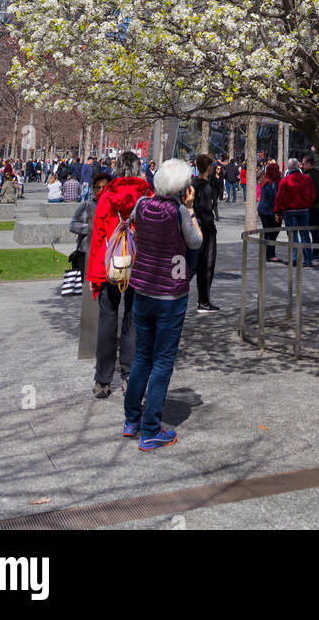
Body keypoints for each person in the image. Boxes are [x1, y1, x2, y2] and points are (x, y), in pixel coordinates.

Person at [123, 158, 203, 450]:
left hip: (142, 289)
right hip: (170, 293)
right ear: (181, 188)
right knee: (162, 360)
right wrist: (191, 209)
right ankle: (150, 429)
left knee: (143, 354)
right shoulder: (179, 212)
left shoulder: (142, 205)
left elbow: (134, 227)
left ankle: (132, 418)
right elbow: (196, 241)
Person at [86, 151, 153, 399]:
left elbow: (97, 237)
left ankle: (102, 380)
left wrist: (94, 274)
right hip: (138, 263)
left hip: (109, 265)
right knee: (133, 321)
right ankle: (129, 375)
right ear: (136, 169)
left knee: (107, 320)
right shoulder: (147, 195)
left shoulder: (106, 196)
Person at [273, 158, 315, 266]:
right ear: (298, 166)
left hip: (290, 211)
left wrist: (278, 212)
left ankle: (294, 259)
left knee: (293, 236)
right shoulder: (307, 179)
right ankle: (308, 259)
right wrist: (308, 205)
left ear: (288, 168)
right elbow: (313, 195)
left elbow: (279, 198)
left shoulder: (285, 181)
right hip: (304, 210)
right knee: (305, 235)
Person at [69, 171, 112, 277]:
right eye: (98, 187)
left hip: (108, 254)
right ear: (93, 188)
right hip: (87, 252)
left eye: (104, 187)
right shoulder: (86, 205)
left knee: (106, 291)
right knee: (88, 289)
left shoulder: (114, 206)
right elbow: (73, 225)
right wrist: (91, 228)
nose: (101, 190)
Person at [191, 155, 219, 313]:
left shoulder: (194, 183)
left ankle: (203, 300)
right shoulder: (206, 187)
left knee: (196, 264)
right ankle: (204, 301)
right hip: (206, 231)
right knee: (207, 266)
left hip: (195, 227)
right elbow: (206, 210)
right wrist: (211, 227)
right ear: (209, 167)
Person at [302, 152, 319, 261]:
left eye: (304, 164)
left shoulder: (308, 176)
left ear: (309, 164)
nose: (302, 166)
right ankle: (318, 251)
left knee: (314, 229)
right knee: (318, 229)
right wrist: (315, 152)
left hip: (313, 206)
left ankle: (317, 251)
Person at [257, 161, 283, 261]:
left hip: (263, 210)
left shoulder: (265, 181)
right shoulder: (274, 183)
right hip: (270, 211)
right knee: (273, 233)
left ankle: (267, 253)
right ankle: (270, 254)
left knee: (268, 232)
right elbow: (275, 199)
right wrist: (278, 213)